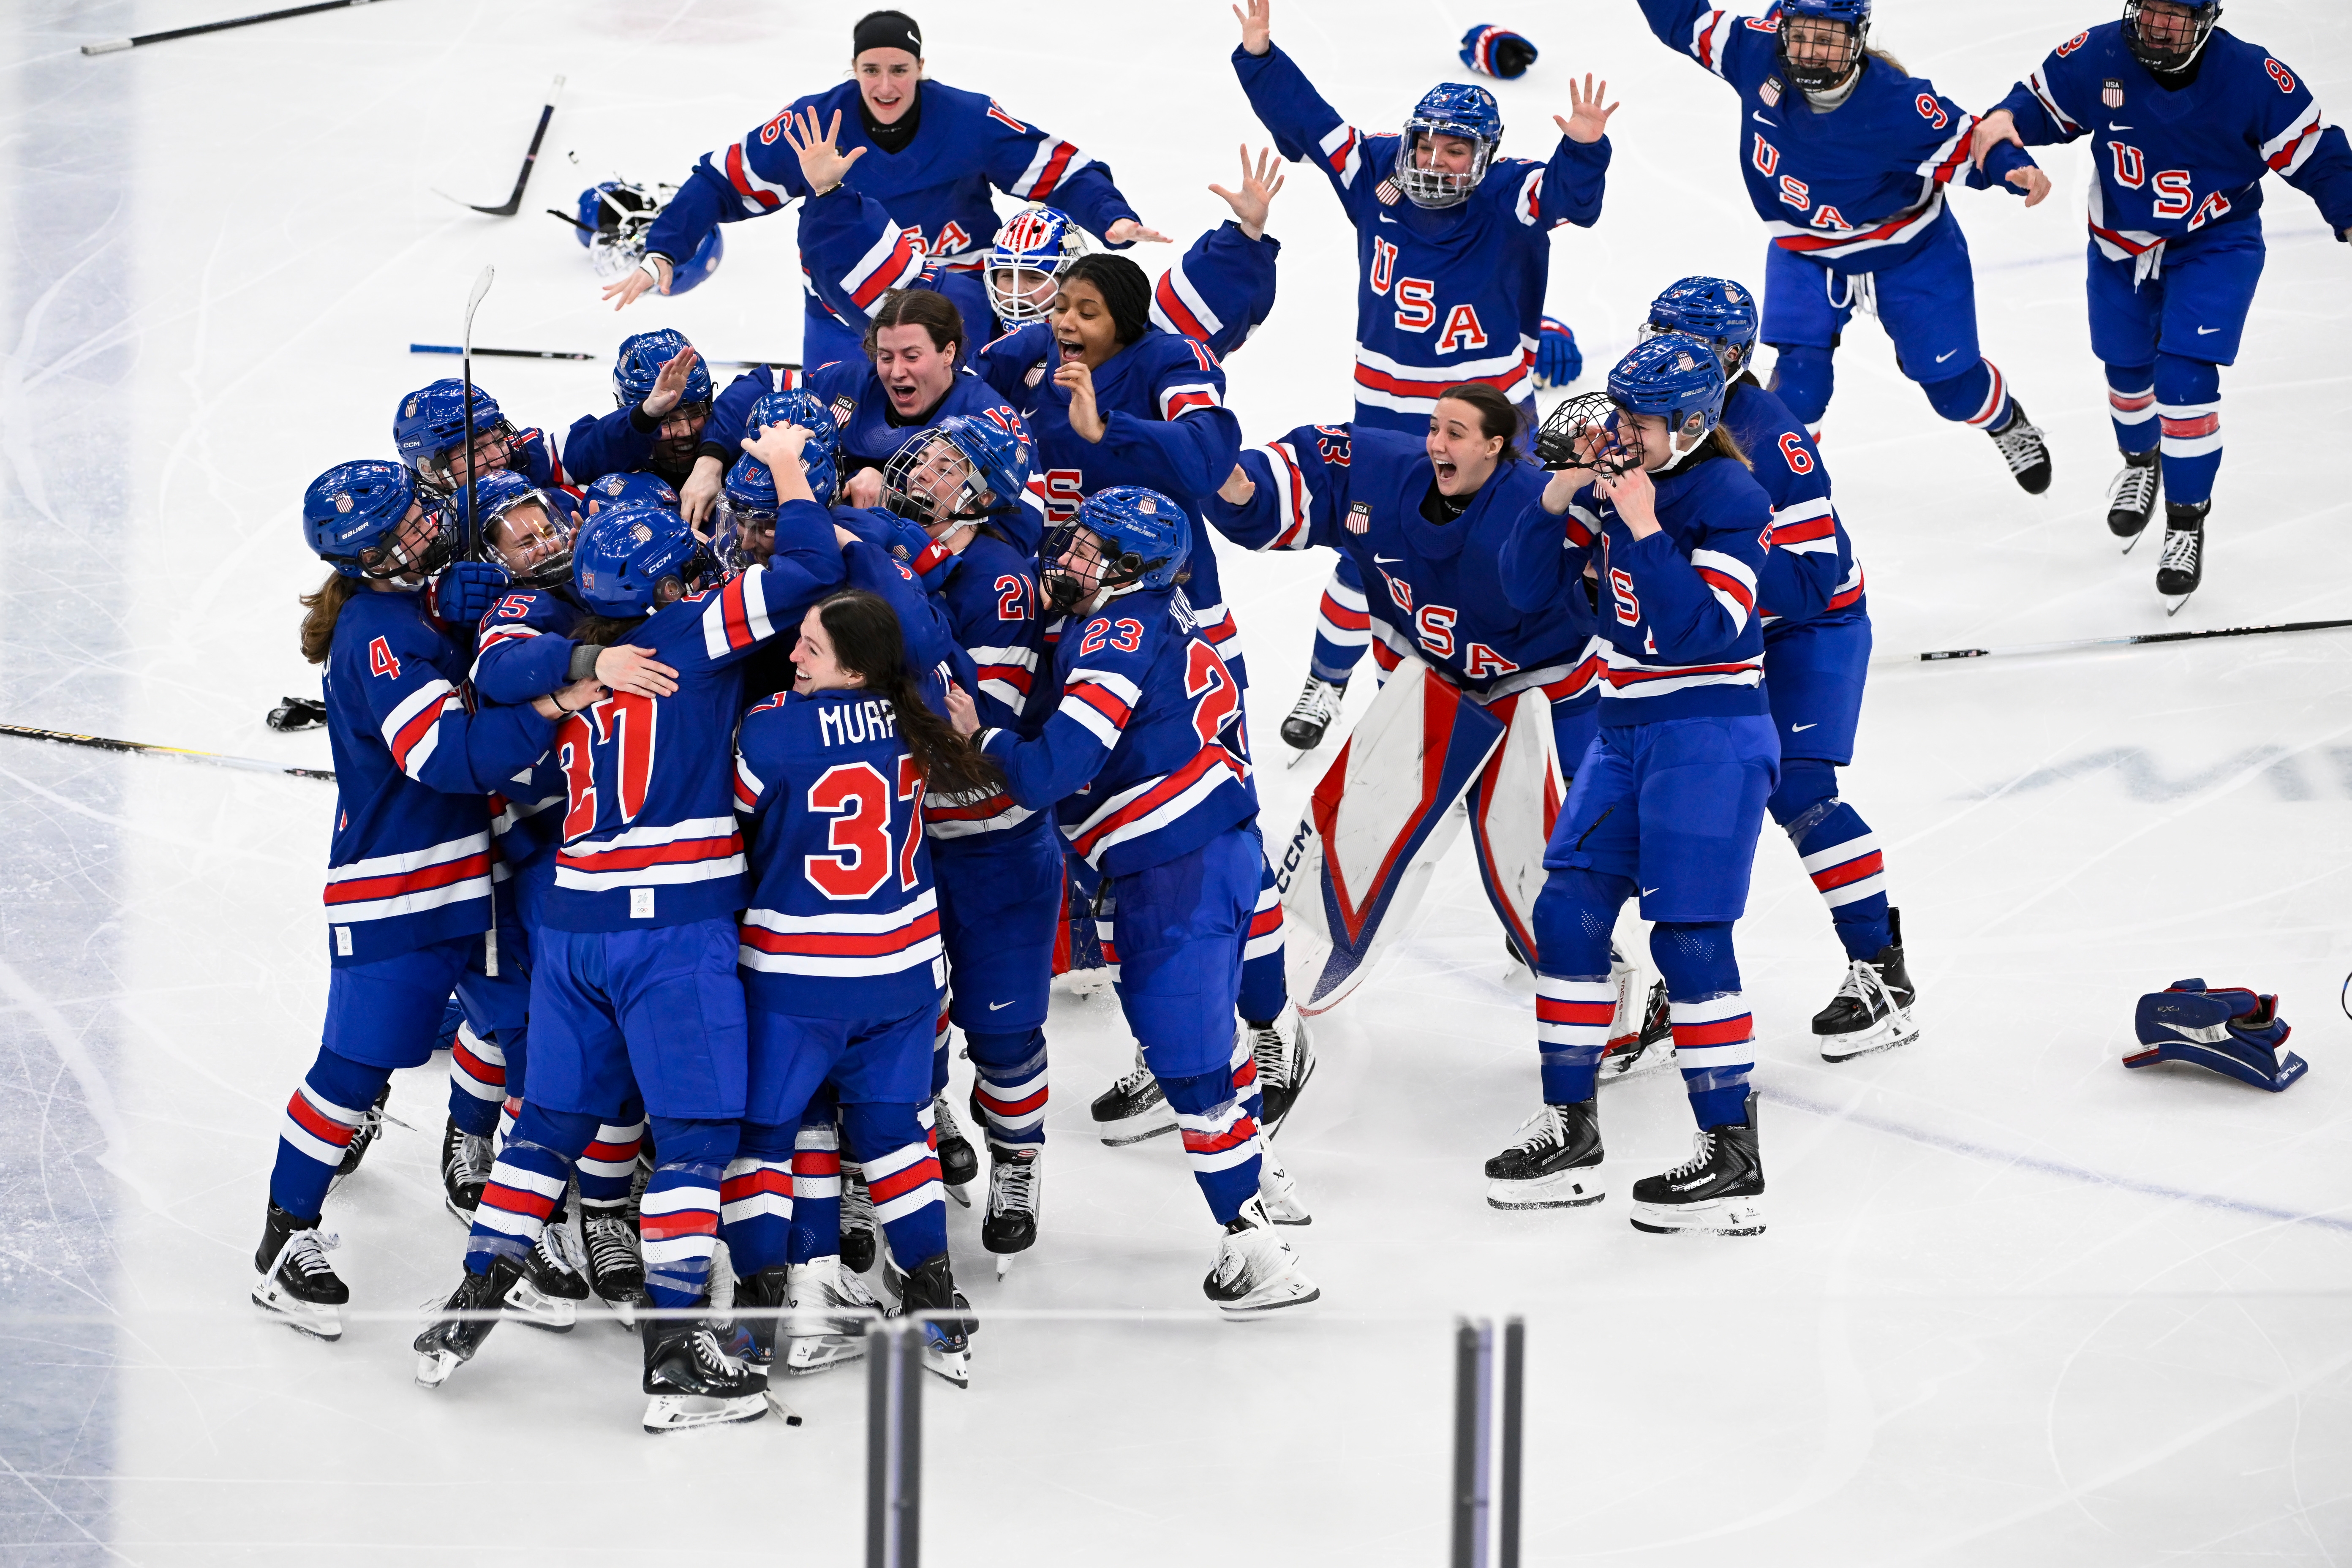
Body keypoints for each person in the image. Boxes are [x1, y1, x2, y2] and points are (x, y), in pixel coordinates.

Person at [412, 430, 849, 1432]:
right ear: (664, 583)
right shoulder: (693, 631)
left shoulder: (562, 642)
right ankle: (674, 1355)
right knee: (694, 1140)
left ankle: (474, 1293)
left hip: (573, 922)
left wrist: (587, 663)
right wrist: (789, 469)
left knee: (549, 1124)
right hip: (673, 927)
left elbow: (504, 669)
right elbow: (810, 569)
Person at [945, 487, 1318, 1313]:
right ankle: (1261, 1171)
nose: (1070, 556)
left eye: (1090, 548)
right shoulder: (1160, 613)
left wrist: (981, 735)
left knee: (1191, 1070)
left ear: (1130, 568)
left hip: (1168, 872)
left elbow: (1050, 771)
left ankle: (1255, 1245)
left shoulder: (1115, 632)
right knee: (1218, 1046)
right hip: (1226, 848)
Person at [972, 251, 1313, 1149]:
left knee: (1218, 830)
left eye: (1086, 309)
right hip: (1077, 623)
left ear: (1124, 317)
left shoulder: (1172, 360)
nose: (1065, 321)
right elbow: (962, 403)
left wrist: (1107, 423)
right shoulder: (1030, 358)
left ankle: (1269, 1026)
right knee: (1124, 855)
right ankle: (1178, 1038)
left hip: (1176, 625)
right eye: (1062, 305)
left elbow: (1208, 459)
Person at [250, 461, 595, 1341]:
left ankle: (518, 1234)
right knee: (354, 1070)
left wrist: (459, 609)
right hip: (400, 887)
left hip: (479, 874)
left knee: (532, 1044)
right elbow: (447, 756)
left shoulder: (412, 606)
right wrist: (557, 698)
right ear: (367, 560)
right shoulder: (377, 633)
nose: (423, 529)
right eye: (400, 531)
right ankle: (284, 1241)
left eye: (416, 513)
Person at [1229, 0, 1616, 751]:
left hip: (1493, 414)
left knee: (1503, 546)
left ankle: (1498, 687)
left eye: (1455, 150)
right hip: (1386, 411)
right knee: (1366, 549)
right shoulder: (1375, 169)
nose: (1435, 161)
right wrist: (1260, 56)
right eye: (1427, 144)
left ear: (1486, 157)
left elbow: (1575, 201)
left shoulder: (1510, 193)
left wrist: (1583, 148)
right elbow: (1310, 120)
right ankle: (1328, 679)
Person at [1203, 383, 1604, 1016]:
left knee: (1556, 862)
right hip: (1428, 689)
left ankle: (1611, 987)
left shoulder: (1541, 504)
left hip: (1537, 698)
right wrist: (1243, 488)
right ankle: (1298, 963)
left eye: (1456, 433)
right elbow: (1308, 471)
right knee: (1359, 828)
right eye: (1435, 428)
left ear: (1495, 447)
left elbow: (1631, 589)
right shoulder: (1384, 472)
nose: (1436, 442)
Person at [1495, 335, 1777, 1233]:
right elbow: (1522, 591)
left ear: (1691, 424)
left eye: (1640, 421)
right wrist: (1557, 495)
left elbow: (1703, 631)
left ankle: (1729, 1151)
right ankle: (1570, 1128)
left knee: (1689, 938)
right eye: (1618, 414)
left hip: (1709, 734)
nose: (1620, 432)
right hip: (1624, 726)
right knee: (1565, 911)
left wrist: (1645, 526)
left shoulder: (1733, 497)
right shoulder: (1612, 486)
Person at [1971, 0, 2352, 605]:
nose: (2158, 27)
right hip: (2119, 245)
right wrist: (2005, 122)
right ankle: (2140, 462)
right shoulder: (2099, 53)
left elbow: (2318, 154)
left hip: (2216, 241)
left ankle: (2186, 520)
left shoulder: (2253, 76)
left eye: (2176, 16)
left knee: (2184, 379)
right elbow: (2036, 105)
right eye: (2150, 9)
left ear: (2208, 19)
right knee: (2126, 370)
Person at [725, 590, 1001, 1385]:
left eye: (810, 647)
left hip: (797, 978)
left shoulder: (771, 726)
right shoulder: (918, 718)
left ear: (852, 667)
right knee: (895, 1137)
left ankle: (767, 1315)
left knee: (768, 1139)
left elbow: (741, 811)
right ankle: (935, 1306)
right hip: (901, 976)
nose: (792, 655)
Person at [1643, 277, 1917, 1060]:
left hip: (1806, 627)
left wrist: (1712, 555)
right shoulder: (1647, 412)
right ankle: (1683, 981)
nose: (1664, 354)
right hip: (1721, 626)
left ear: (1729, 357)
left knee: (1799, 789)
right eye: (1657, 334)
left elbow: (1812, 582)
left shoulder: (1772, 439)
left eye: (1684, 341)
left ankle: (1882, 971)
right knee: (1665, 793)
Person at [1631, 0, 2056, 494]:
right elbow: (1686, 21)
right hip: (1807, 251)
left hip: (1909, 253)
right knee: (1798, 392)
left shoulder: (1900, 106)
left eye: (1828, 40)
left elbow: (1974, 146)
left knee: (1955, 392)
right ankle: (1790, 495)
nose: (1811, 52)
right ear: (1781, 28)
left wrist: (2011, 168)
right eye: (1801, 36)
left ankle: (2006, 421)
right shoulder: (1755, 50)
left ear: (1857, 39)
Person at [607, 11, 1167, 370]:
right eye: (871, 69)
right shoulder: (813, 124)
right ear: (853, 68)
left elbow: (1058, 168)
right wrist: (665, 251)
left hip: (958, 296)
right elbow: (720, 181)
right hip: (846, 311)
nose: (885, 85)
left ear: (921, 67)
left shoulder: (969, 120)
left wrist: (1111, 217)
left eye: (899, 69)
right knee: (841, 437)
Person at [460, 469, 688, 1319]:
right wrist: (592, 663)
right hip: (543, 852)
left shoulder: (615, 570)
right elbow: (501, 670)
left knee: (622, 1048)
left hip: (638, 856)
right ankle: (530, 1192)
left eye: (546, 524)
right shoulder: (521, 609)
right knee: (541, 1042)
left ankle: (606, 1207)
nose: (545, 542)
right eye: (521, 540)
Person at [863, 416, 1065, 1264]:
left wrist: (903, 585)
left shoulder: (998, 578)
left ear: (982, 492)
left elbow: (973, 728)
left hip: (992, 841)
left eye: (948, 466)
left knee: (1004, 1024)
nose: (923, 470)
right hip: (904, 838)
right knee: (907, 1015)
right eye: (931, 457)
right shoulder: (901, 549)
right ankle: (932, 1113)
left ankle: (1017, 1160)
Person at [561, 330, 715, 490]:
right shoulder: (599, 462)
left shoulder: (728, 451)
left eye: (696, 413)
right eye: (667, 420)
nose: (686, 432)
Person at [392, 378, 566, 496]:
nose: (500, 458)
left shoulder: (527, 451)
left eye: (499, 441)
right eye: (476, 451)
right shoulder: (415, 525)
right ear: (429, 470)